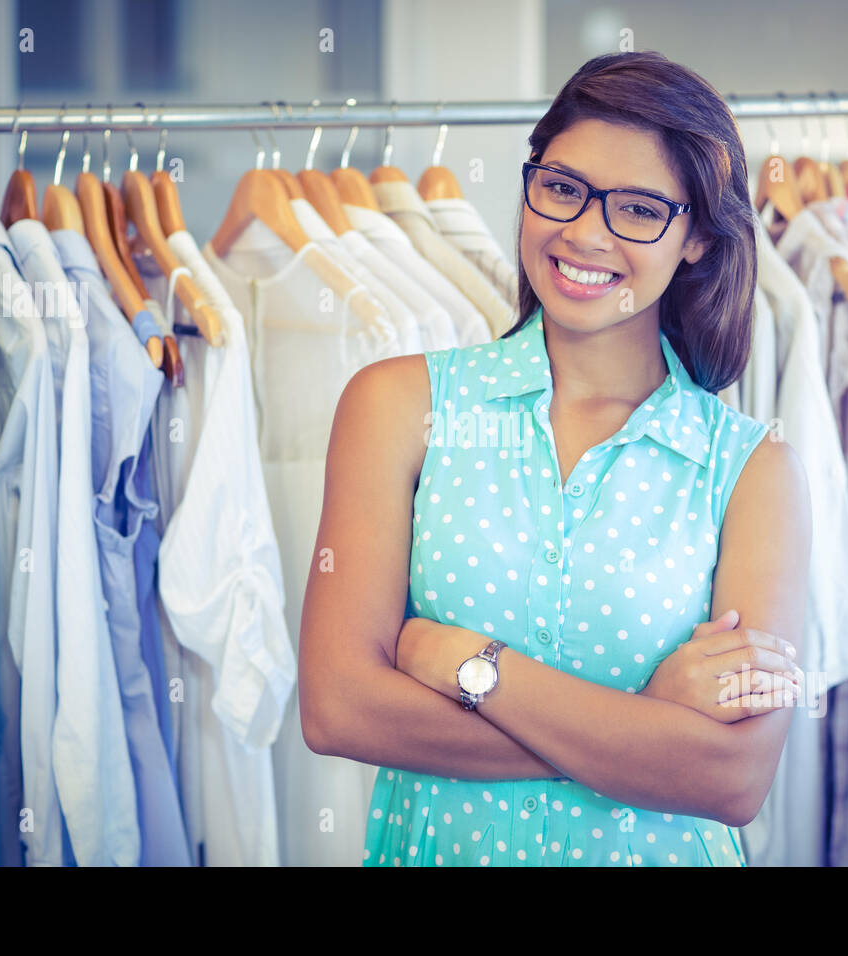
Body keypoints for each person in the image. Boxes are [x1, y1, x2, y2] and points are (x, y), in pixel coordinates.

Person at [301, 50, 811, 867]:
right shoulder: (398, 407)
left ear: (699, 242)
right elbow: (337, 709)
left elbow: (731, 778)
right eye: (563, 188)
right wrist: (643, 722)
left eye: (639, 210)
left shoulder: (752, 469)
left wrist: (468, 665)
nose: (584, 232)